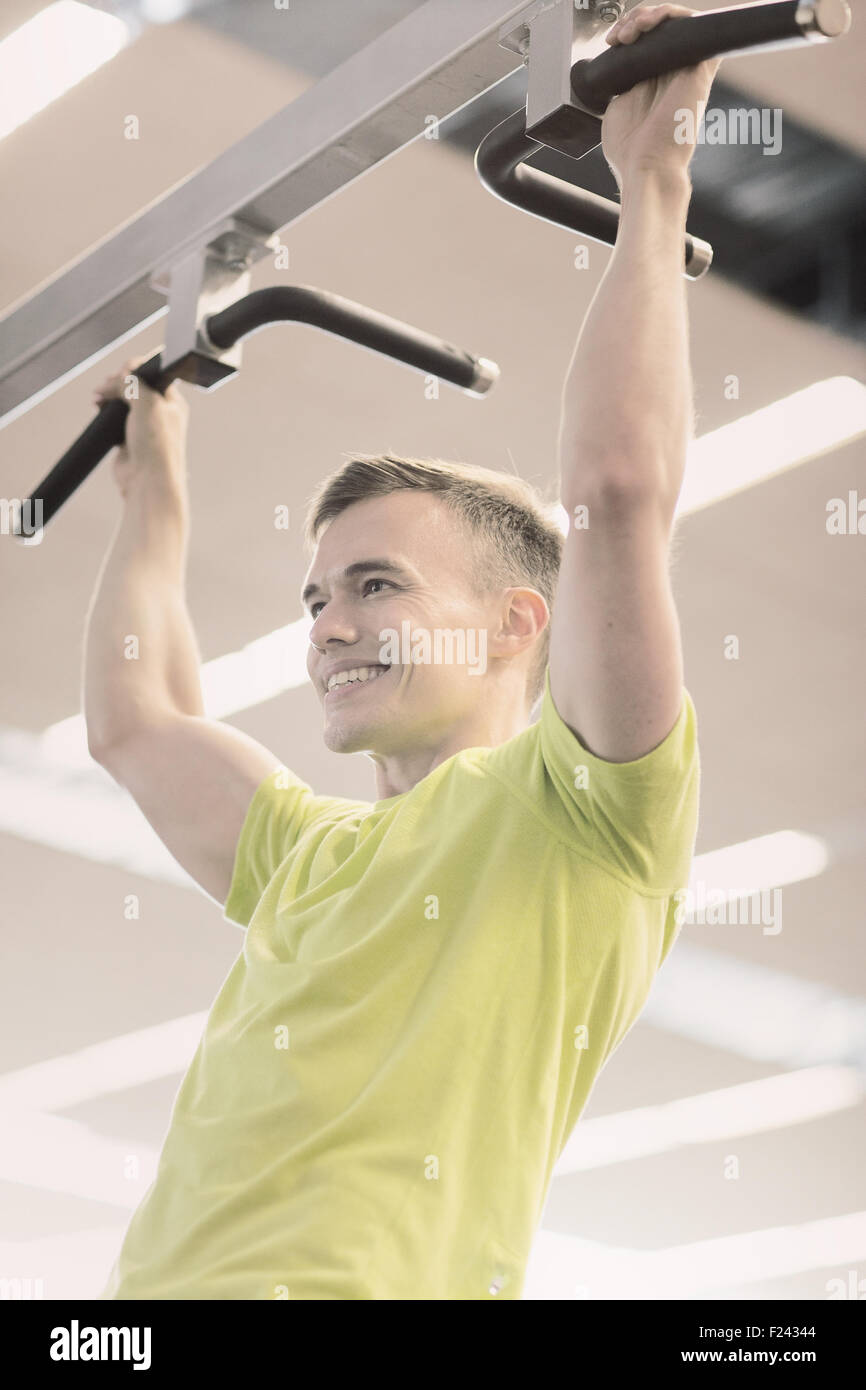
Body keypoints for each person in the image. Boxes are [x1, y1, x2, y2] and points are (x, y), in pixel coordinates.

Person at [87, 4, 715, 1300]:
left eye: (374, 586)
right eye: (317, 597)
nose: (326, 628)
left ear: (513, 624)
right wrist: (160, 484)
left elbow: (610, 491)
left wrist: (653, 183)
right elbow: (134, 720)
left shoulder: (585, 811)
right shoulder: (304, 855)